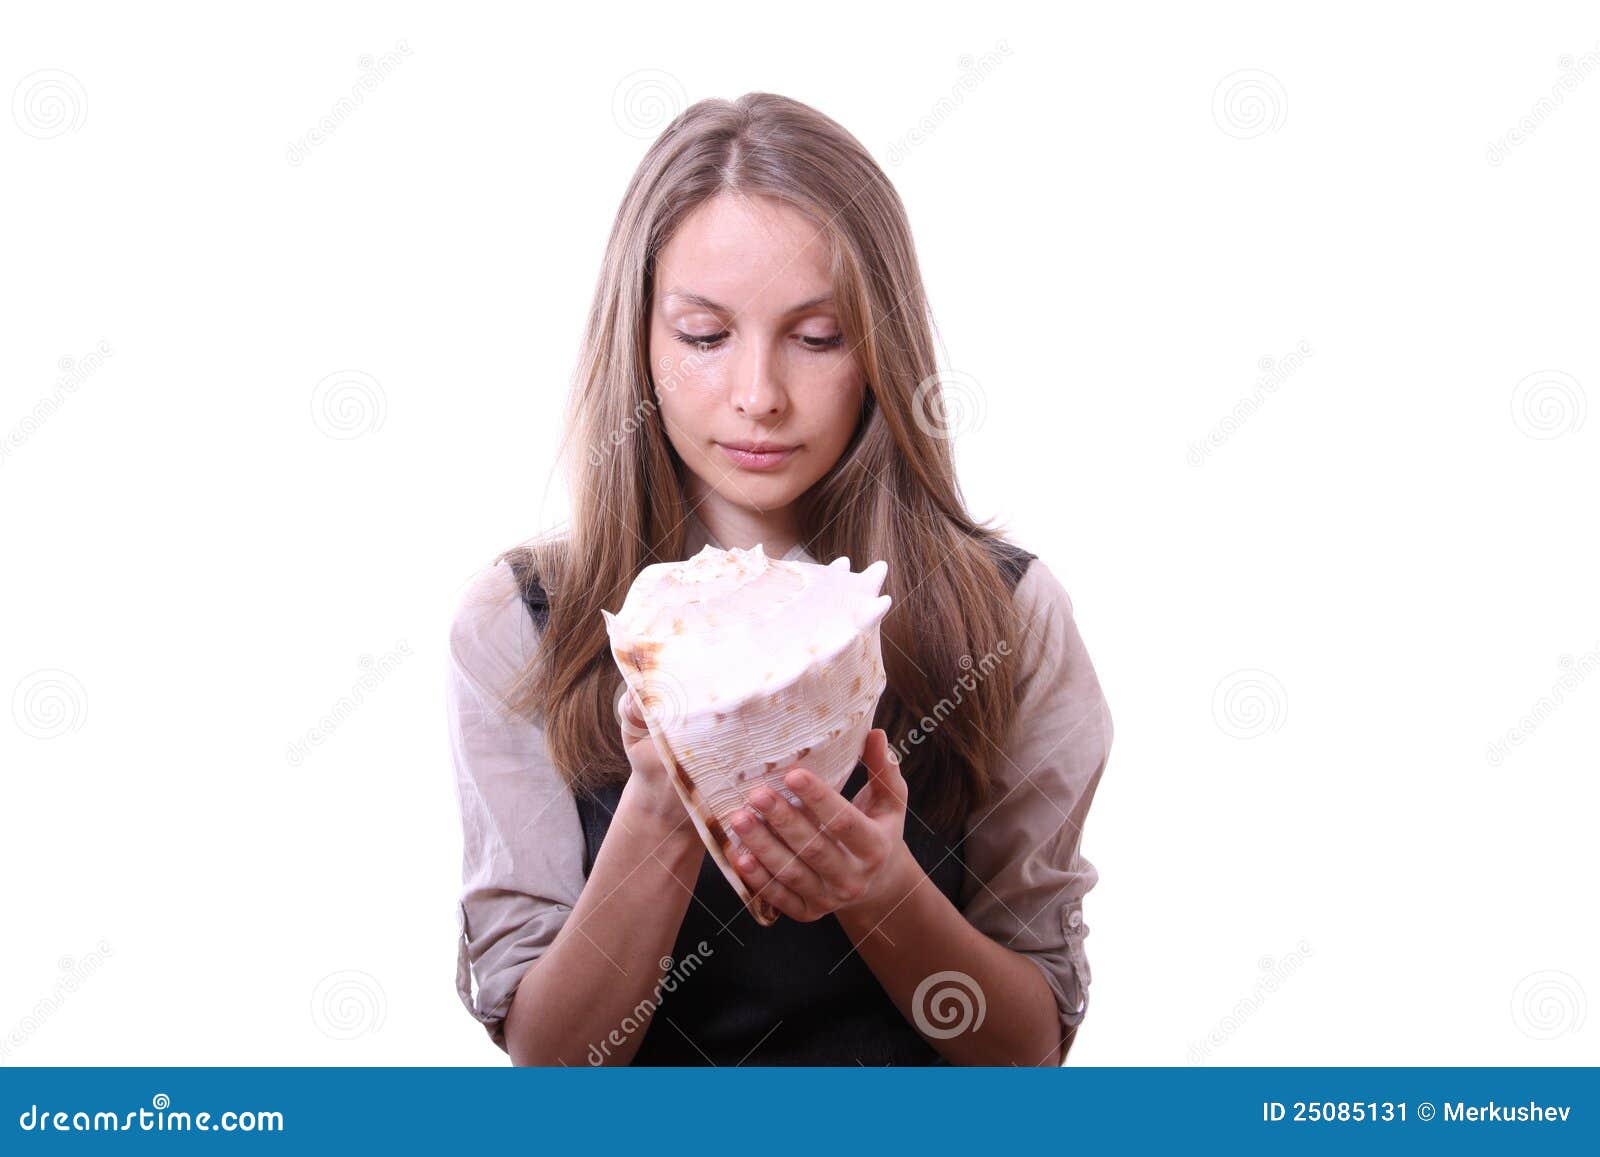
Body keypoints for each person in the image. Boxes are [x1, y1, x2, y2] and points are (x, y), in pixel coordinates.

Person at [446, 92, 1112, 1066]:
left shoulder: (1007, 617)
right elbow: (552, 1066)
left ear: (881, 343)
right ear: (639, 339)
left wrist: (878, 885)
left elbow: (1026, 1053)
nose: (758, 394)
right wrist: (667, 809)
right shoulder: (522, 622)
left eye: (817, 336)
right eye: (705, 336)